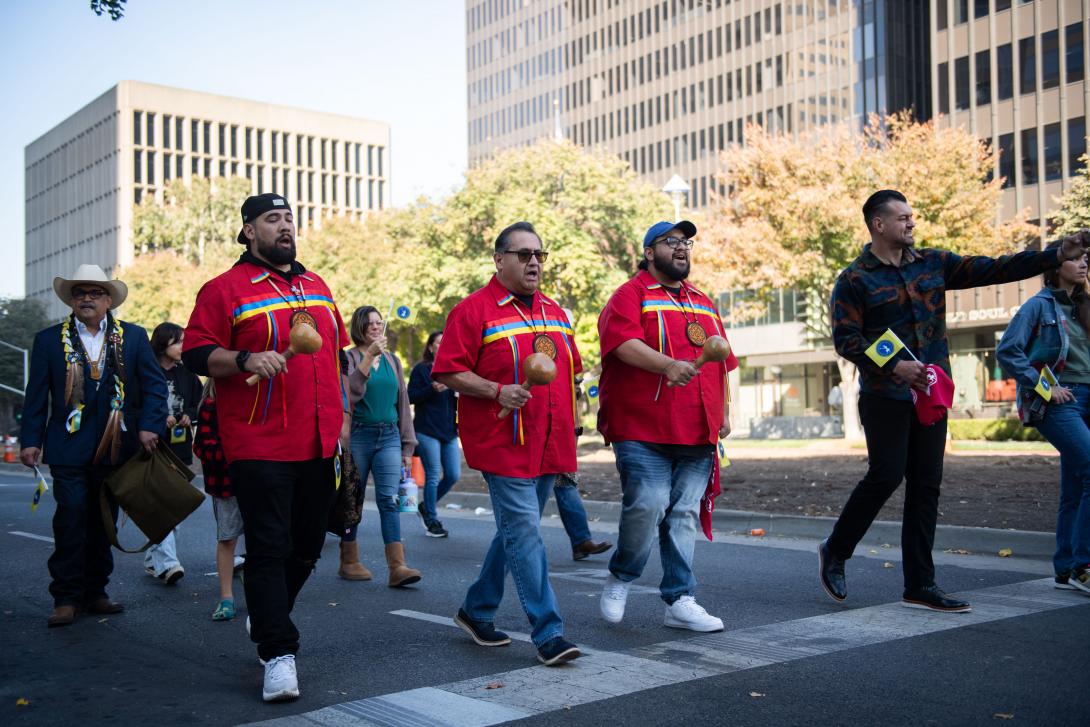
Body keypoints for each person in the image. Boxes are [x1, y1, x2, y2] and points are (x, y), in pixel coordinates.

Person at [820, 189, 1090, 613]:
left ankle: (919, 585)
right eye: (903, 217)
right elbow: (846, 340)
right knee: (887, 475)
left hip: (931, 393)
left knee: (927, 485)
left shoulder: (935, 263)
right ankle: (836, 549)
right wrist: (893, 368)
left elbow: (997, 268)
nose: (911, 223)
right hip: (885, 395)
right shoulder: (854, 279)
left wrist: (1056, 254)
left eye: (912, 216)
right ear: (878, 224)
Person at [182, 193, 349, 702]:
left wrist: (343, 419)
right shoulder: (225, 289)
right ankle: (279, 652)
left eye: (289, 219)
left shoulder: (316, 286)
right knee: (270, 547)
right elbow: (195, 351)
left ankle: (266, 608)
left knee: (306, 548)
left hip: (320, 442)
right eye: (272, 219)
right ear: (249, 231)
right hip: (257, 443)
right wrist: (246, 358)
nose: (284, 227)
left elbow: (335, 356)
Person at [433, 221, 583, 666]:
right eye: (523, 254)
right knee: (525, 533)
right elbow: (447, 372)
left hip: (548, 442)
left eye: (539, 254)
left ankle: (476, 610)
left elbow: (568, 375)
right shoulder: (473, 311)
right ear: (499, 260)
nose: (533, 261)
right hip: (503, 442)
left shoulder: (555, 310)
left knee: (515, 533)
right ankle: (549, 632)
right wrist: (496, 390)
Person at [596, 220, 737, 632]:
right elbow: (621, 344)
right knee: (649, 504)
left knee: (683, 514)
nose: (681, 248)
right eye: (670, 241)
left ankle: (679, 598)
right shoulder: (630, 295)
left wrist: (724, 411)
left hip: (697, 429)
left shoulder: (703, 302)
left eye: (685, 242)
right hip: (642, 427)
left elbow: (722, 360)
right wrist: (667, 365)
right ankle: (621, 575)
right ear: (648, 252)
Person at [20, 264, 167, 627]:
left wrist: (150, 427)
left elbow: (154, 387)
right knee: (71, 519)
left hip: (117, 450)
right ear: (71, 300)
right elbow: (37, 395)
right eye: (80, 293)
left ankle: (96, 592)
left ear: (107, 300)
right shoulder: (49, 340)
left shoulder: (132, 337)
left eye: (95, 292)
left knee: (104, 523)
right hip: (68, 450)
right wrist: (30, 440)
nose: (87, 298)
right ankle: (66, 597)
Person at [996, 240, 1090, 594]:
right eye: (1075, 258)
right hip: (1061, 401)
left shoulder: (1085, 305)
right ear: (1056, 265)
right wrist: (1042, 386)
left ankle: (1066, 569)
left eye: (1085, 259)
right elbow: (1008, 350)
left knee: (1076, 486)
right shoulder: (1038, 306)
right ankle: (1083, 565)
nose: (1083, 264)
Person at [338, 305, 421, 586]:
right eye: (370, 323)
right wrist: (368, 358)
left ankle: (397, 567)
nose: (376, 327)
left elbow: (402, 402)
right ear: (359, 326)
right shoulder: (349, 357)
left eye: (379, 322)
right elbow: (351, 394)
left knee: (389, 499)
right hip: (359, 435)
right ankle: (349, 561)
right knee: (353, 499)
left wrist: (408, 447)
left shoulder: (393, 360)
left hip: (389, 437)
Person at [142, 322, 202, 586]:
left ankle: (152, 558)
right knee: (161, 504)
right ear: (163, 343)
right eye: (178, 342)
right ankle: (168, 563)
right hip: (153, 447)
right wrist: (157, 418)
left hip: (180, 449)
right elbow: (135, 402)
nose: (183, 347)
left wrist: (190, 414)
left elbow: (198, 402)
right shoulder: (145, 370)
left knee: (174, 506)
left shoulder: (188, 373)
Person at [192, 379, 245, 620]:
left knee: (261, 538)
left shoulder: (252, 399)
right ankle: (226, 597)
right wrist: (233, 454)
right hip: (225, 482)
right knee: (227, 538)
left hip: (257, 479)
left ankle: (258, 591)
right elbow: (202, 445)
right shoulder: (212, 404)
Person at [408, 330, 459, 538]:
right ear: (430, 347)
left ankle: (425, 506)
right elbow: (410, 397)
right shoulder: (421, 370)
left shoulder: (455, 369)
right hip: (426, 429)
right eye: (438, 343)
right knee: (432, 474)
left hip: (449, 432)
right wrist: (432, 389)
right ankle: (431, 519)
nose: (442, 345)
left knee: (453, 475)